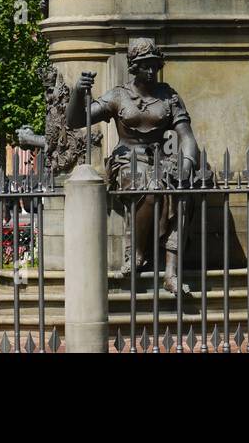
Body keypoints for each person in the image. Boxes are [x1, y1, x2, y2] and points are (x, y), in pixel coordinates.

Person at [66, 38, 201, 292]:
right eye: (144, 66)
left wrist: (188, 161)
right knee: (149, 186)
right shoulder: (119, 95)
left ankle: (171, 272)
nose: (151, 72)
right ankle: (136, 254)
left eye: (154, 66)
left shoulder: (169, 95)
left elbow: (187, 137)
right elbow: (74, 120)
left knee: (182, 191)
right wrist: (78, 91)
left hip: (160, 158)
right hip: (127, 159)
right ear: (133, 67)